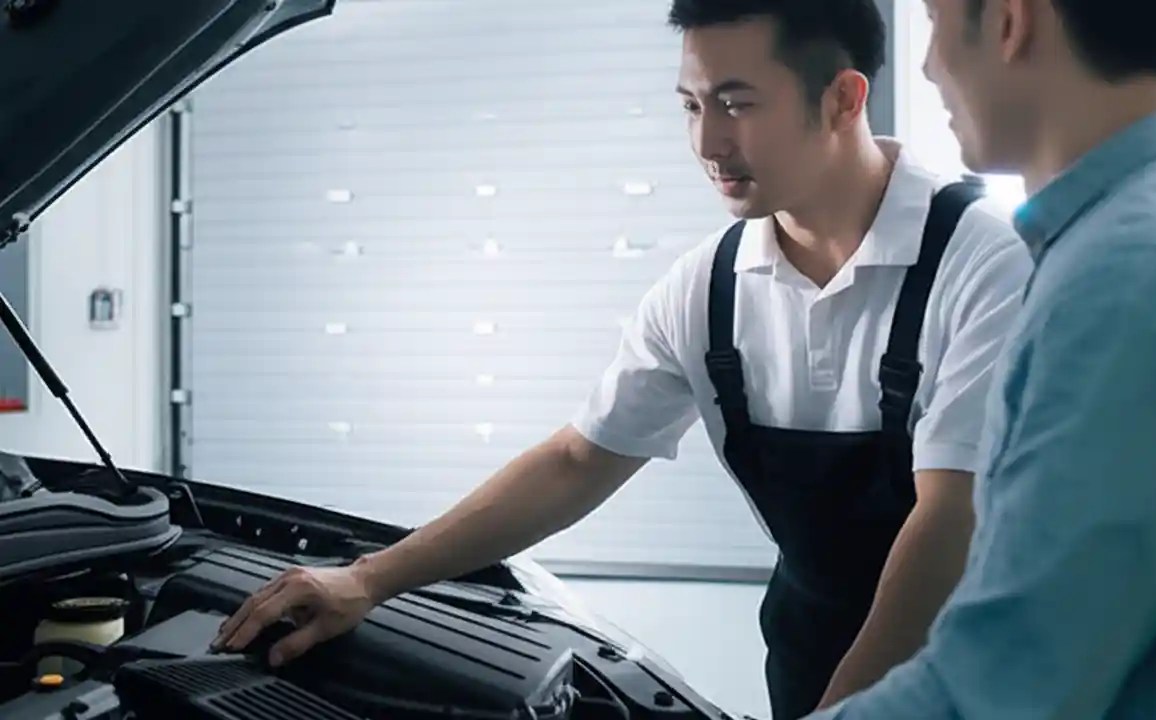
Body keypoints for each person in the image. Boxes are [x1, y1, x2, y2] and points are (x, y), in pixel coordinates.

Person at [211, 2, 1033, 716]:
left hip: (982, 672)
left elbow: (949, 518)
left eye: (738, 103)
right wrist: (367, 581)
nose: (708, 141)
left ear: (842, 99)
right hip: (809, 660)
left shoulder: (982, 264)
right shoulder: (706, 290)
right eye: (691, 105)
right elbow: (577, 460)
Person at [807, 0, 1156, 718]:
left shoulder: (1130, 279)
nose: (930, 65)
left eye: (934, 21)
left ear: (1008, 21)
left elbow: (1005, 686)